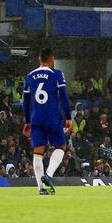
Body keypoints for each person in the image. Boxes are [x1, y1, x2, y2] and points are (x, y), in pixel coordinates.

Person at [22, 46, 73, 195]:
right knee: (61, 147)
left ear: (39, 59)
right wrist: (68, 117)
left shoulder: (30, 76)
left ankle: (41, 189)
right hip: (52, 117)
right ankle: (48, 175)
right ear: (52, 60)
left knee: (38, 152)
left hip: (36, 118)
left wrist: (27, 121)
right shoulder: (57, 74)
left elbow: (25, 101)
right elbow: (63, 96)